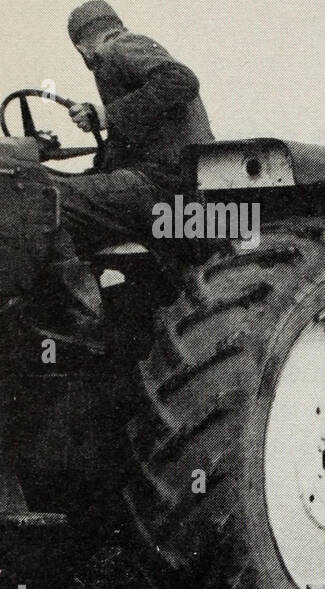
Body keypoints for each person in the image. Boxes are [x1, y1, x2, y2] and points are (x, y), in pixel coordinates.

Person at [34, 0, 214, 351]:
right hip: (157, 181)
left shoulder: (120, 45)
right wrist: (101, 119)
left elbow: (181, 79)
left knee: (41, 200)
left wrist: (106, 115)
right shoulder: (121, 67)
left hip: (161, 185)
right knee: (62, 189)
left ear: (82, 46)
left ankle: (84, 320)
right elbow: (137, 131)